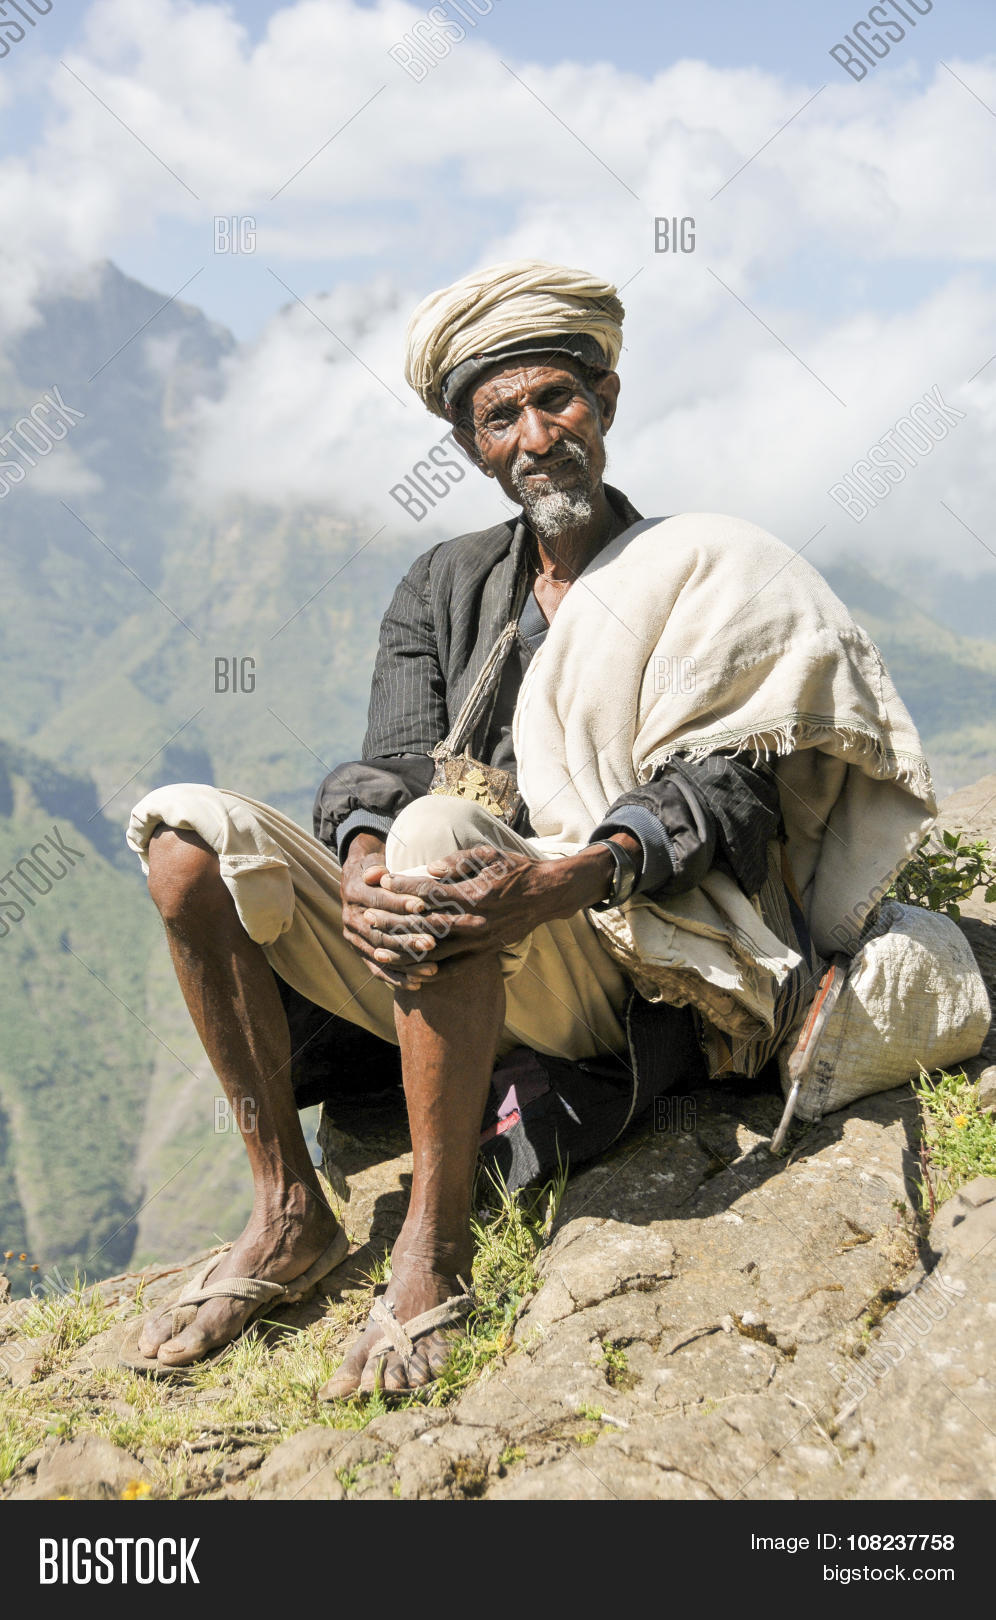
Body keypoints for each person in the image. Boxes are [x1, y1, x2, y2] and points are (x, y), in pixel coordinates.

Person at [123, 260, 935, 1394]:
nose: (536, 434)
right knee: (186, 848)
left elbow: (729, 793)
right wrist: (357, 863)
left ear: (605, 404)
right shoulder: (445, 584)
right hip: (441, 930)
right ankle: (288, 1208)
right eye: (500, 416)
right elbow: (389, 763)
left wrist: (560, 881)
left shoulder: (696, 575)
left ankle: (434, 1254)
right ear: (470, 447)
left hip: (610, 946)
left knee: (439, 834)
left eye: (557, 399)